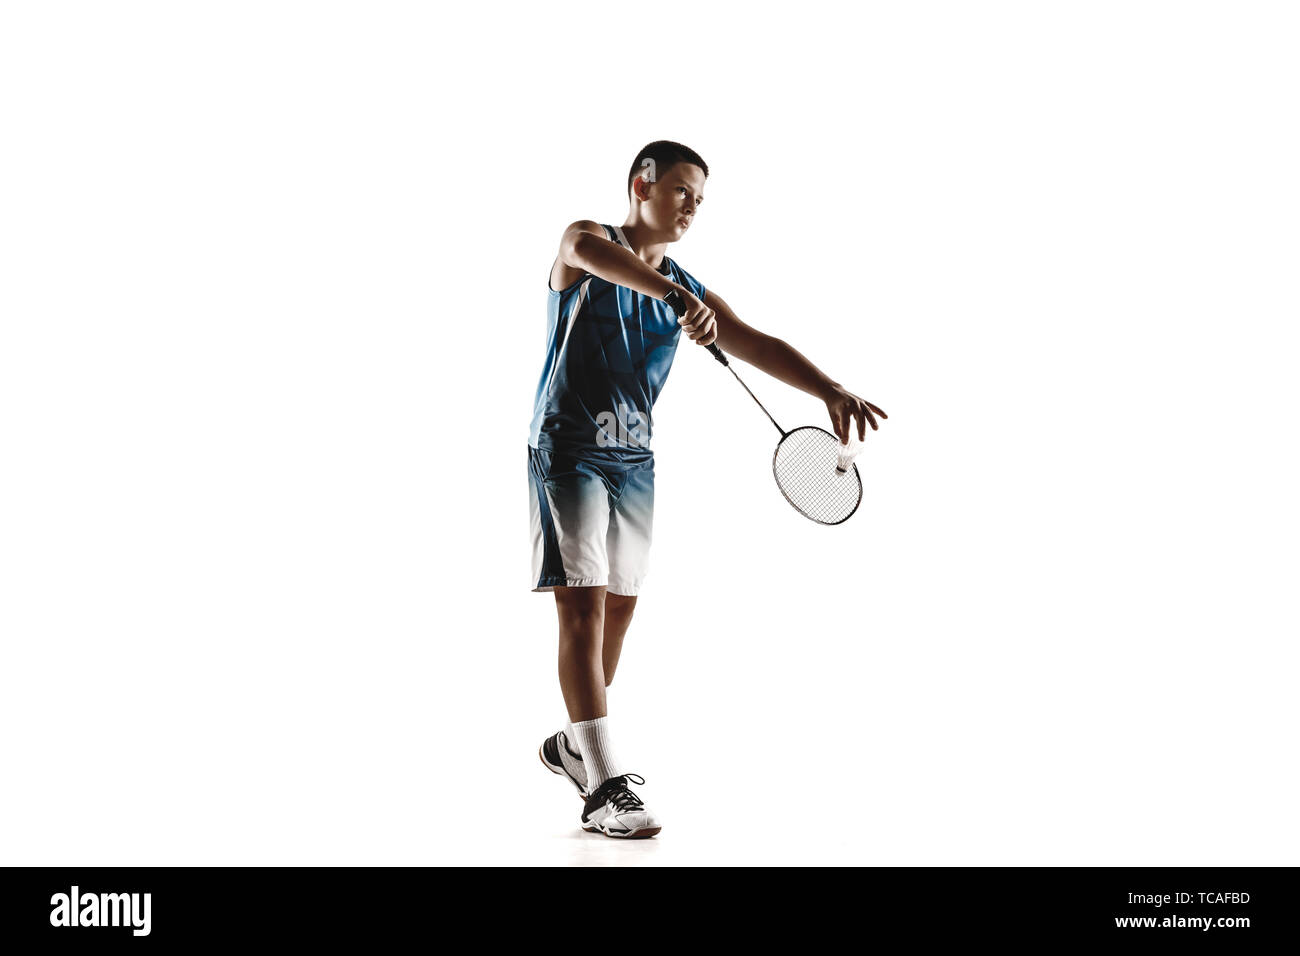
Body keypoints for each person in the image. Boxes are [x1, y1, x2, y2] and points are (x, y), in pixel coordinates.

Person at [530, 141, 887, 838]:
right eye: (683, 191)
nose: (693, 206)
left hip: (635, 462)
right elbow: (584, 248)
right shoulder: (590, 244)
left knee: (620, 614)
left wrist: (828, 388)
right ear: (643, 184)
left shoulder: (687, 285)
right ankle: (603, 787)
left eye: (702, 198)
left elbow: (756, 340)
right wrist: (671, 294)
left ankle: (576, 742)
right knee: (581, 608)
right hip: (569, 449)